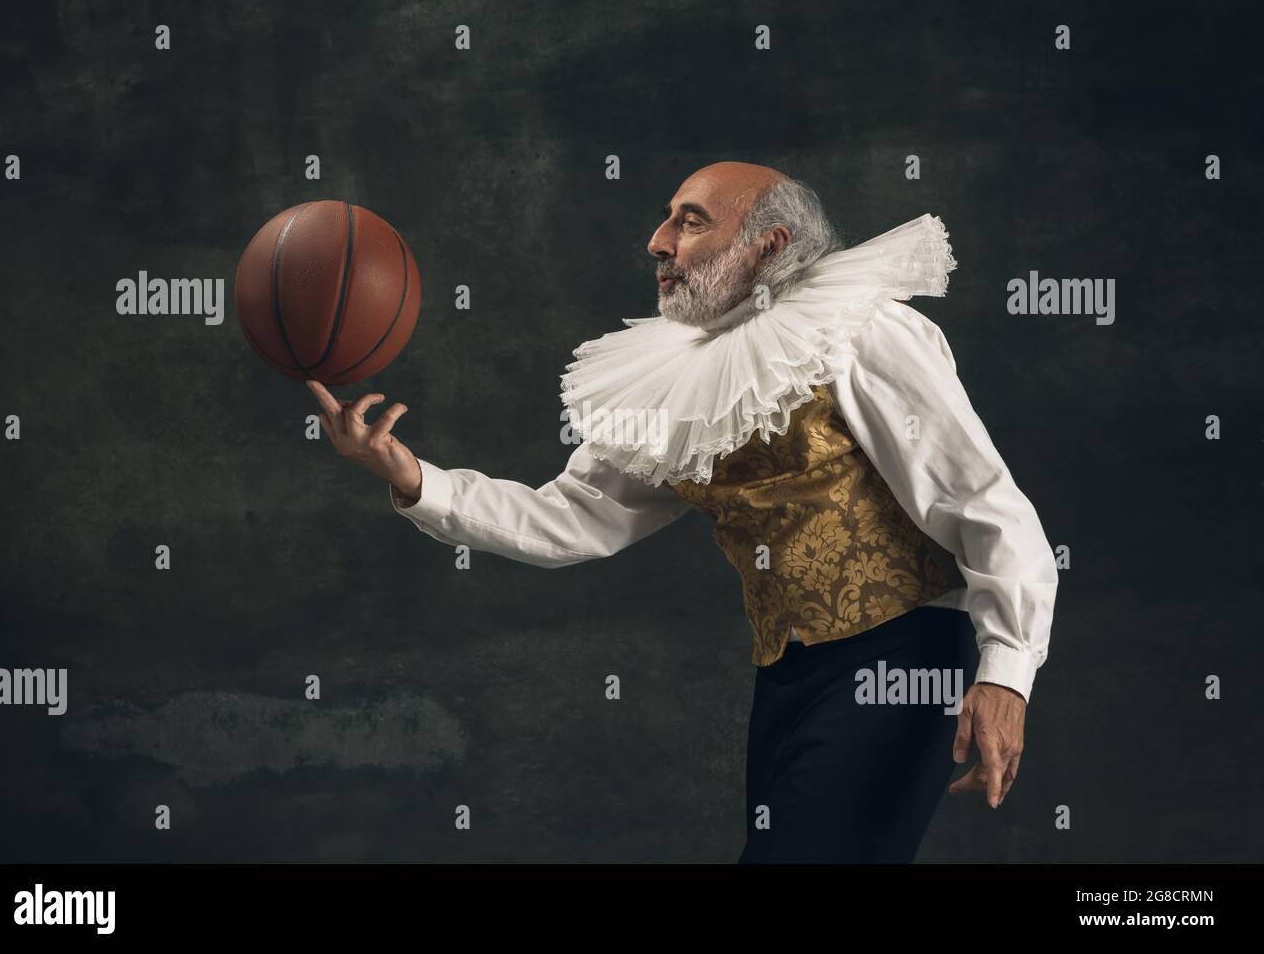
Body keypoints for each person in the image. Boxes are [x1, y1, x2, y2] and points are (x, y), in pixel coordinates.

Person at [306, 161, 1059, 862]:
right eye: (668, 219)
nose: (658, 242)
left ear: (769, 245)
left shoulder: (857, 331)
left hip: (906, 659)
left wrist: (1006, 672)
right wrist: (411, 476)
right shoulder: (678, 375)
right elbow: (576, 515)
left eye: (690, 222)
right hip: (788, 673)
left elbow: (983, 504)